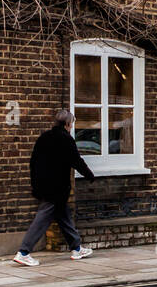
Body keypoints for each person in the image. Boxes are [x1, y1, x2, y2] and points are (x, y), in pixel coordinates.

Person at [12, 109, 96, 266]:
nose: (71, 126)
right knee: (42, 218)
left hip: (43, 184)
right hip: (56, 187)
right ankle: (23, 252)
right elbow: (76, 161)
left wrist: (35, 183)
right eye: (71, 123)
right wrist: (90, 176)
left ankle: (77, 248)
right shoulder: (66, 139)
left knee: (64, 216)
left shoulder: (44, 137)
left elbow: (33, 162)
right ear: (67, 124)